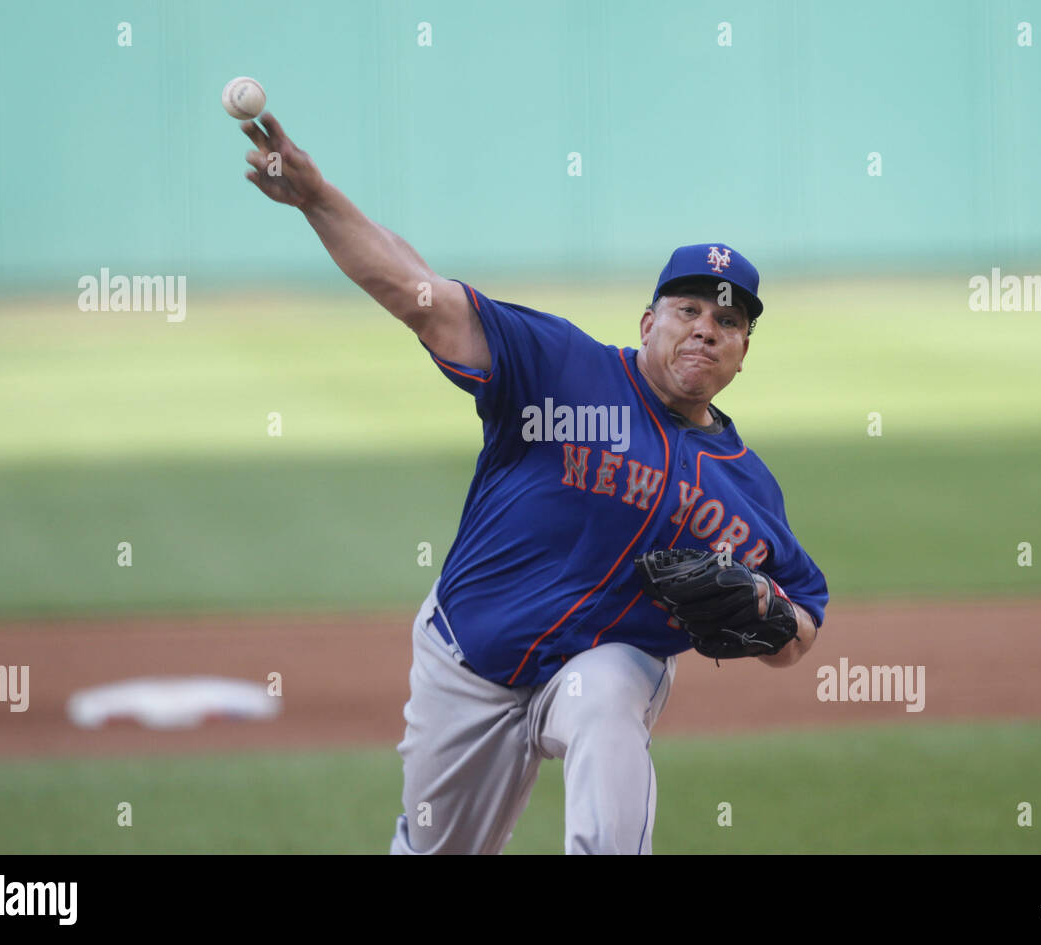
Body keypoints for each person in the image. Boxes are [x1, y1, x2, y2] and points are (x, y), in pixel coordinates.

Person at [240, 112, 829, 855]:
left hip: (595, 671)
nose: (706, 327)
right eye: (688, 309)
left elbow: (798, 626)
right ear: (648, 320)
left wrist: (769, 610)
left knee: (613, 689)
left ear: (743, 353)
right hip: (467, 661)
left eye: (728, 319)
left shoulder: (746, 490)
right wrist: (316, 197)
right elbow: (414, 289)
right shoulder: (558, 367)